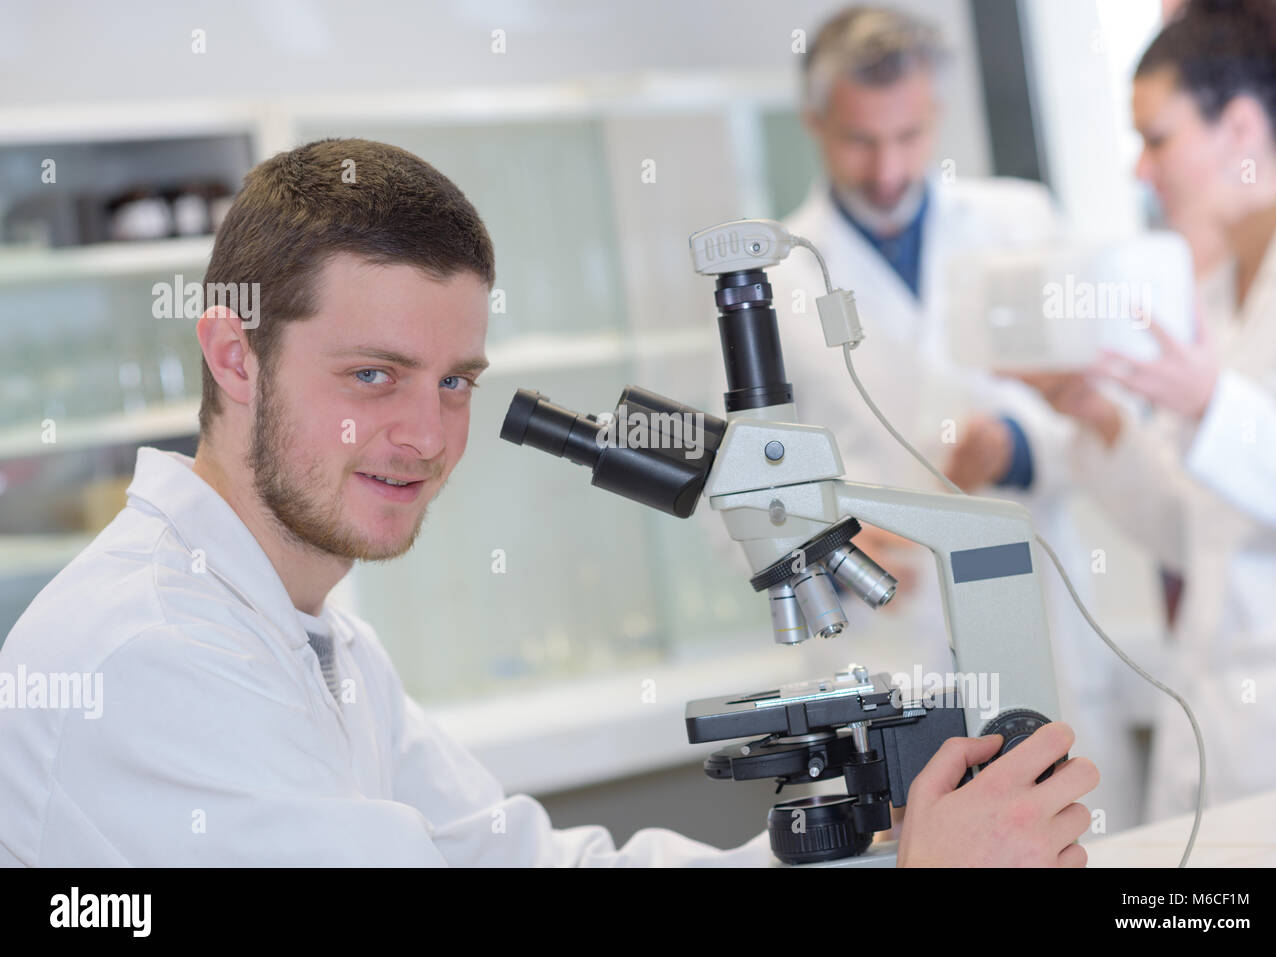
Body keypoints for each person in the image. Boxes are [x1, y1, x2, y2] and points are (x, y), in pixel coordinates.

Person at [0, 138, 1097, 867]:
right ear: (235, 357)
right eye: (371, 375)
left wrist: (857, 852)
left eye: (455, 383)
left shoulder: (309, 638)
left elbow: (516, 865)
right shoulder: (148, 660)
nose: (427, 438)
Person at [742, 5, 1138, 833]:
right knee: (917, 844)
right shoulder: (771, 282)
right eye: (860, 141)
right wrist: (835, 541)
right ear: (815, 122)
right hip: (887, 636)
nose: (889, 167)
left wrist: (1016, 444)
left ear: (937, 115)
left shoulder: (1020, 227)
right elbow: (741, 495)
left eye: (910, 135)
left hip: (1033, 615)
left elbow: (1106, 421)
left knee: (1080, 843)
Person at [1024, 0, 1276, 821]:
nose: (1142, 170)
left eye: (1157, 138)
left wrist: (1213, 405)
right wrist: (1100, 423)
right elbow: (1196, 535)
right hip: (1219, 734)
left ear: (1240, 126)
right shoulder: (1212, 294)